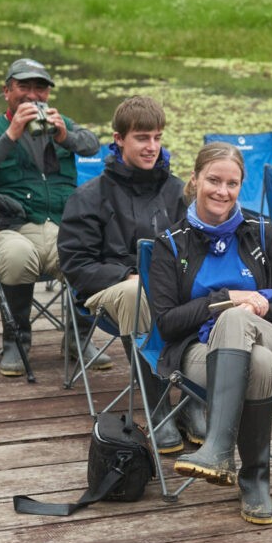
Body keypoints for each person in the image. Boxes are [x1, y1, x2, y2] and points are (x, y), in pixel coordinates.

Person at [151, 143, 272, 526]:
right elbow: (167, 323)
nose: (222, 191)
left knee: (240, 323)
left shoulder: (263, 231)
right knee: (257, 360)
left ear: (241, 187)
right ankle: (255, 479)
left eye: (232, 183)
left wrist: (259, 307)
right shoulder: (171, 242)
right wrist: (226, 299)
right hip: (199, 352)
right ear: (195, 180)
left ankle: (218, 449)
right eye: (214, 180)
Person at [58, 95, 188, 450]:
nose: (152, 147)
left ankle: (196, 402)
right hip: (111, 292)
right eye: (142, 138)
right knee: (138, 294)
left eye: (158, 138)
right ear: (118, 139)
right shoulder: (88, 197)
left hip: (170, 289)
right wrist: (127, 275)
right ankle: (158, 407)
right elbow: (76, 266)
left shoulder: (179, 192)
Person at [0, 58, 99, 376]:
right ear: (6, 91)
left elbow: (93, 145)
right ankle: (17, 341)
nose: (32, 95)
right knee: (16, 255)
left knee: (89, 253)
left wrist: (65, 136)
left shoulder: (58, 121)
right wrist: (11, 135)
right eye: (23, 87)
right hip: (7, 226)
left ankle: (78, 340)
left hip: (59, 225)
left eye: (40, 88)